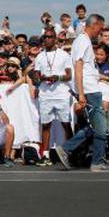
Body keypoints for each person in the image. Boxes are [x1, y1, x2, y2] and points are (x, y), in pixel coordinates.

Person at [54, 14, 109, 172]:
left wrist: (104, 77)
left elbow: (88, 69)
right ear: (93, 25)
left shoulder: (84, 41)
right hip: (89, 90)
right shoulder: (83, 40)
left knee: (96, 126)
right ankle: (97, 162)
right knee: (102, 126)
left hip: (90, 86)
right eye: (100, 29)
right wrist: (81, 93)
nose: (100, 33)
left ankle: (67, 148)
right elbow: (79, 67)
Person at [32, 28, 72, 165]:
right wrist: (41, 78)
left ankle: (69, 152)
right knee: (46, 124)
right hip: (45, 93)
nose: (48, 39)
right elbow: (35, 76)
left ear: (55, 39)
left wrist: (57, 77)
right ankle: (45, 155)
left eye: (50, 37)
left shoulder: (64, 55)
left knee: (66, 123)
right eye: (46, 37)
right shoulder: (39, 57)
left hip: (61, 93)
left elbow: (69, 75)